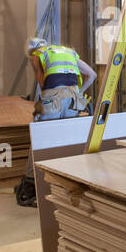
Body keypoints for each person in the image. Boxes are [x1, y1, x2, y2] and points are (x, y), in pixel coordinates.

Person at [15, 38, 97, 207]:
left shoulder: (38, 54)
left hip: (52, 97)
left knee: (41, 139)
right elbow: (92, 75)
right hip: (74, 98)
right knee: (66, 139)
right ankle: (66, 183)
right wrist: (76, 93)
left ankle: (31, 187)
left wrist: (40, 101)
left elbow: (41, 81)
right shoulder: (70, 53)